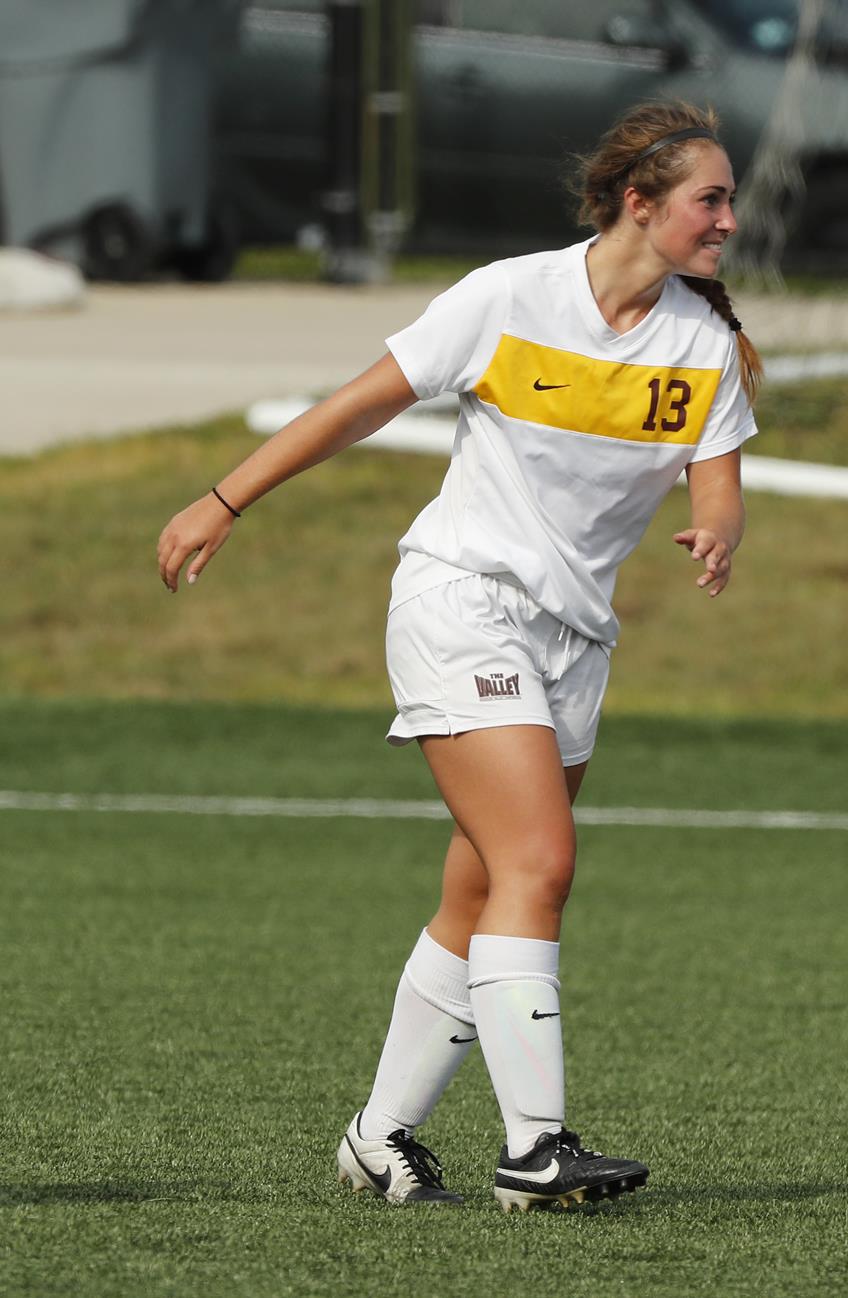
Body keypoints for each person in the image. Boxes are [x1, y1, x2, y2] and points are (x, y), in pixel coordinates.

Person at [154, 101, 761, 1212]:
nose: (729, 218)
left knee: (485, 885)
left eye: (728, 199)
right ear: (640, 203)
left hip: (575, 638)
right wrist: (224, 496)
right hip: (462, 601)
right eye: (709, 199)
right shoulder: (508, 295)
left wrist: (716, 529)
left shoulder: (702, 343)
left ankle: (378, 1133)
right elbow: (355, 407)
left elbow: (714, 475)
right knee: (539, 860)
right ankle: (535, 1146)